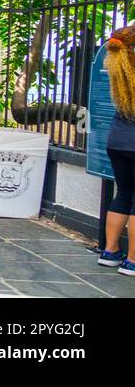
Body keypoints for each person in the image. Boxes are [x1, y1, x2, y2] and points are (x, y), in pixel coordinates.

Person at [96, 27, 135, 275]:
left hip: (117, 141)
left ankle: (110, 252)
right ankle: (132, 260)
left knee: (124, 194)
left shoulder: (120, 69)